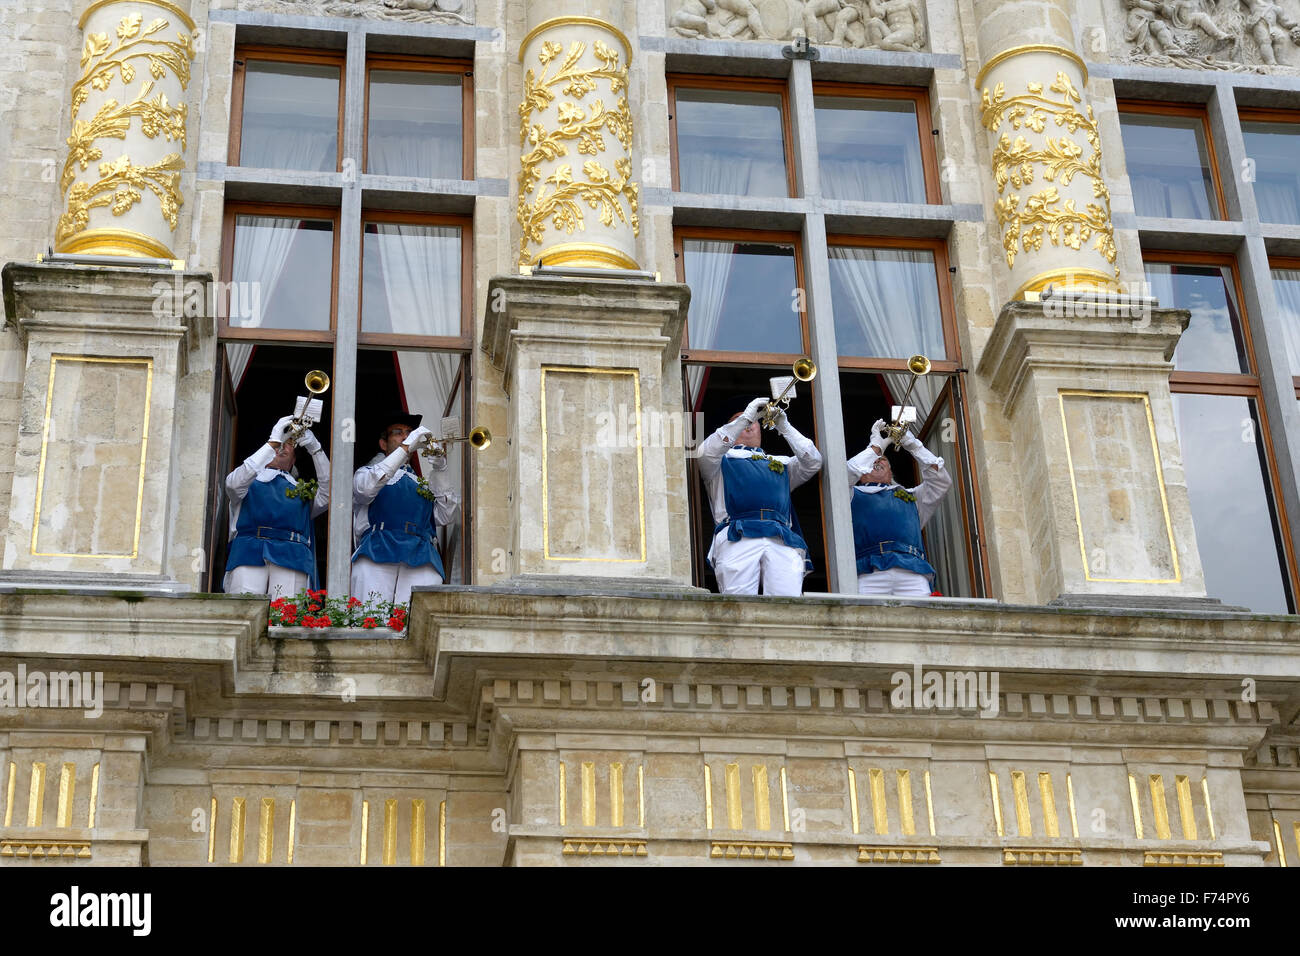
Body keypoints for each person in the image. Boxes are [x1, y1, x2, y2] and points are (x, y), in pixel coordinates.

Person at [698, 395, 823, 595]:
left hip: (781, 536)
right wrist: (744, 417)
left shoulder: (782, 462)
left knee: (788, 603)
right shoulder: (719, 460)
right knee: (738, 602)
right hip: (737, 534)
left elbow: (813, 461)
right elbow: (705, 451)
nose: (748, 425)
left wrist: (785, 426)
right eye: (739, 422)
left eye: (753, 422)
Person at [351, 412, 460, 607]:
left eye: (409, 432)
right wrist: (406, 447)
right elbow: (365, 490)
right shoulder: (366, 473)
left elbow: (446, 516)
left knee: (419, 622)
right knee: (371, 619)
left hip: (421, 555)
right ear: (383, 444)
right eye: (398, 432)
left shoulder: (421, 483)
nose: (406, 435)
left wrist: (440, 469)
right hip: (377, 551)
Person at [224, 415, 329, 598]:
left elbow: (332, 494)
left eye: (288, 443)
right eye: (279, 442)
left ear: (294, 459)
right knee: (245, 612)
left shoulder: (302, 490)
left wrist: (316, 449)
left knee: (285, 619)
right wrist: (273, 442)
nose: (282, 446)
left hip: (292, 556)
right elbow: (232, 484)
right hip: (248, 552)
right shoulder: (247, 482)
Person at [847, 419, 951, 596]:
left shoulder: (911, 497)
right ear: (861, 472)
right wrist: (875, 448)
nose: (877, 460)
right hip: (869, 571)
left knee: (922, 620)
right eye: (872, 460)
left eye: (882, 459)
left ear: (890, 472)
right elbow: (845, 473)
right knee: (866, 620)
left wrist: (913, 445)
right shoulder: (849, 494)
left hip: (912, 569)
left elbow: (941, 481)